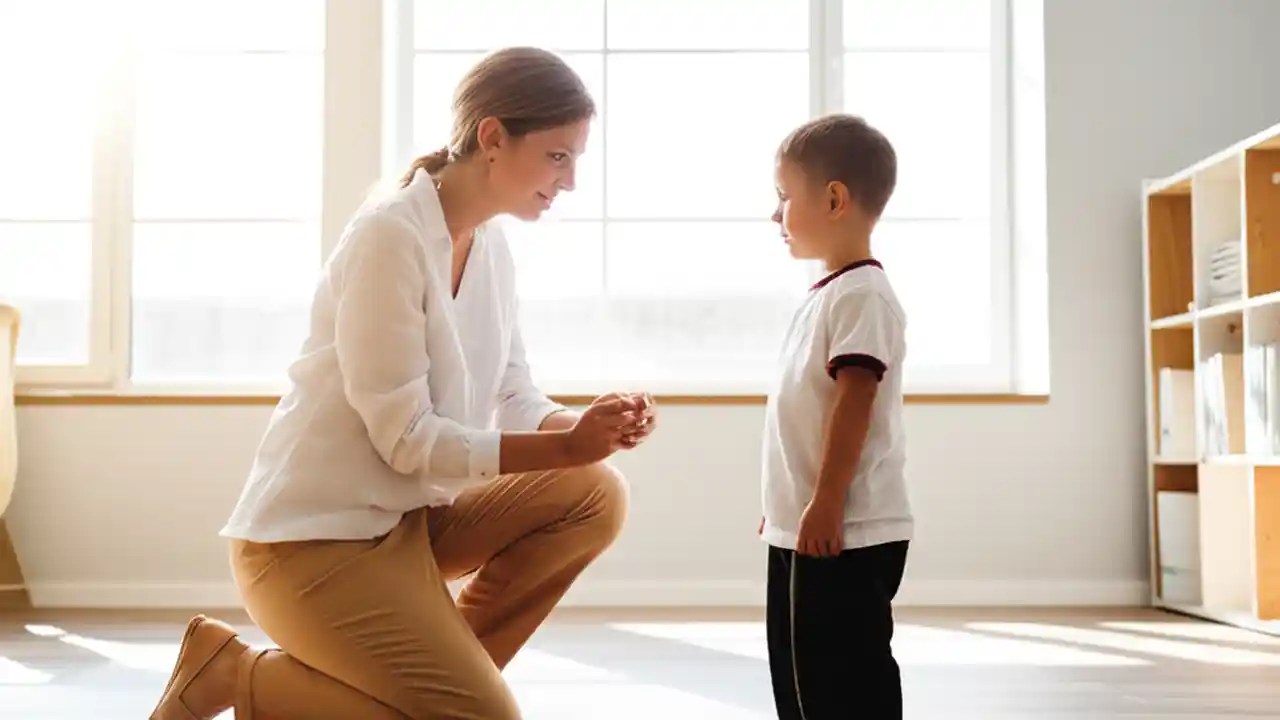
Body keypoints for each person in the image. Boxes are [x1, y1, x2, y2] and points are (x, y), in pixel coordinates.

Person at [149, 47, 657, 720]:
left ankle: (431, 685)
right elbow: (406, 440)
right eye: (559, 156)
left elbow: (515, 394)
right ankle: (233, 672)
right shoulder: (389, 238)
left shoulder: (490, 246)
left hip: (406, 528)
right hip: (311, 545)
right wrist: (564, 448)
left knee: (594, 491)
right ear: (493, 137)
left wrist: (588, 429)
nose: (569, 181)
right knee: (485, 716)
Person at [759, 113, 913, 720]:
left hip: (846, 531)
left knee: (845, 678)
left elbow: (854, 404)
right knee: (798, 672)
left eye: (782, 197)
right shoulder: (826, 294)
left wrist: (824, 501)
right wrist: (785, 505)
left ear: (833, 199)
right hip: (803, 526)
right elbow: (802, 413)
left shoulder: (863, 295)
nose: (775, 215)